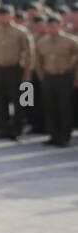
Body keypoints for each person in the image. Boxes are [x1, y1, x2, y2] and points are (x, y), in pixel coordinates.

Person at [0, 6, 35, 140]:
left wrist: (27, 74)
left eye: (6, 15)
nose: (3, 18)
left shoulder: (21, 32)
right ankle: (3, 129)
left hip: (15, 70)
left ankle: (17, 130)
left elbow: (29, 54)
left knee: (17, 101)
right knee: (0, 100)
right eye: (1, 15)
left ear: (12, 15)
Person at [35, 12, 78, 146]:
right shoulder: (42, 42)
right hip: (49, 77)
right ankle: (53, 135)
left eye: (55, 25)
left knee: (64, 107)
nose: (52, 28)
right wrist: (42, 76)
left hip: (64, 76)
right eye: (50, 26)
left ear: (61, 25)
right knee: (50, 107)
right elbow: (38, 61)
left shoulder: (71, 41)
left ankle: (64, 137)